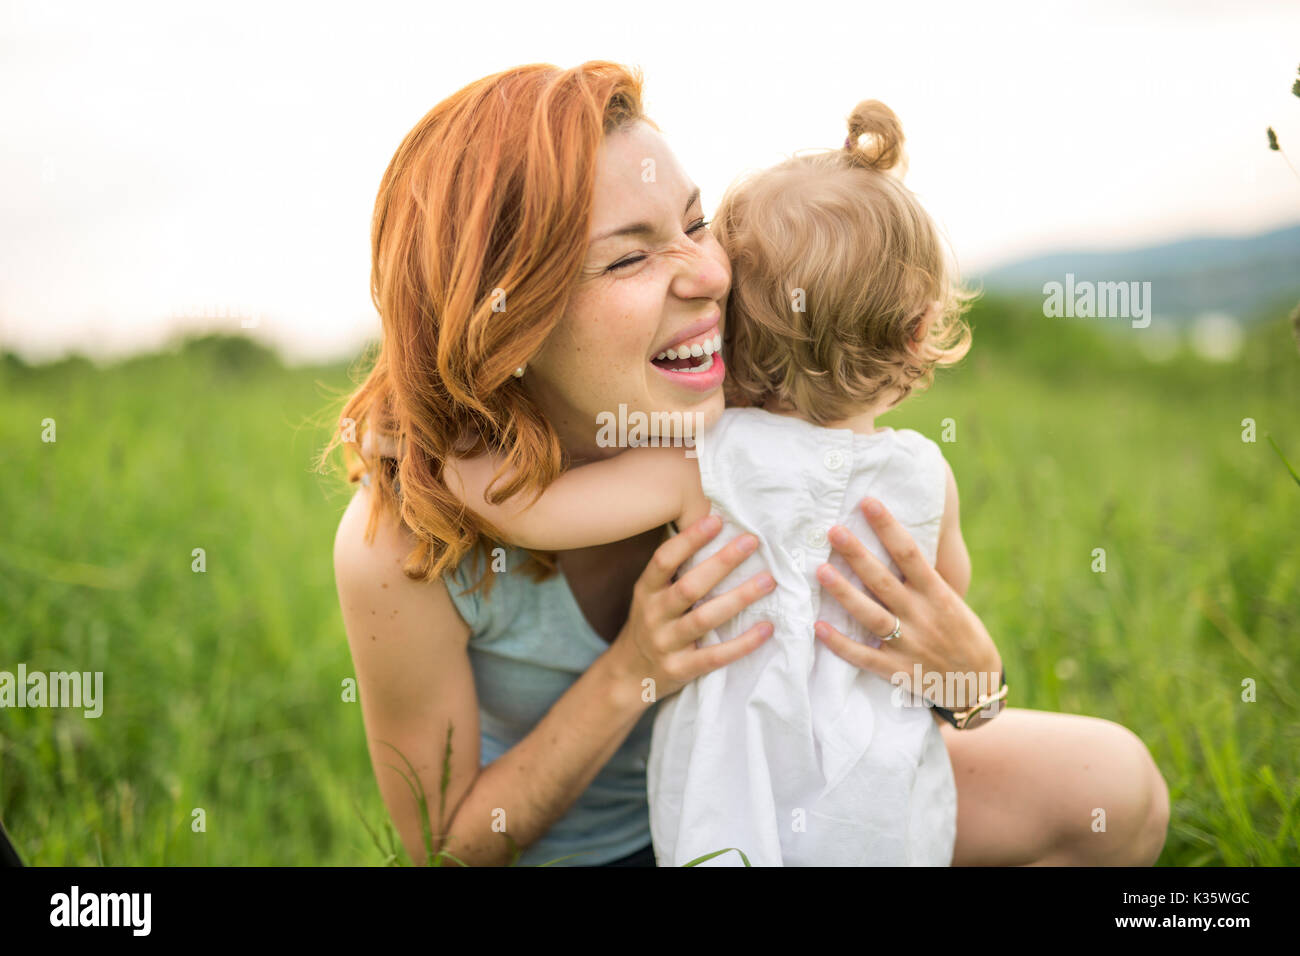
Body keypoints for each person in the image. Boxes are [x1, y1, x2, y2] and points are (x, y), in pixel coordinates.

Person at [328, 60, 1170, 867]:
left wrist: (968, 678)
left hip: (780, 797)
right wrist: (631, 674)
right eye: (629, 257)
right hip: (606, 848)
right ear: (507, 321)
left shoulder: (744, 425)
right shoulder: (398, 543)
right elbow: (445, 846)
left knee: (1116, 791)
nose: (706, 274)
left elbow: (871, 661)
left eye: (696, 223)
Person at [439, 99, 980, 866]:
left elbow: (531, 513)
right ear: (919, 329)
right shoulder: (927, 475)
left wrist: (447, 455)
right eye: (630, 256)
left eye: (697, 228)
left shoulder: (711, 459)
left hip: (736, 805)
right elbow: (937, 609)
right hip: (878, 801)